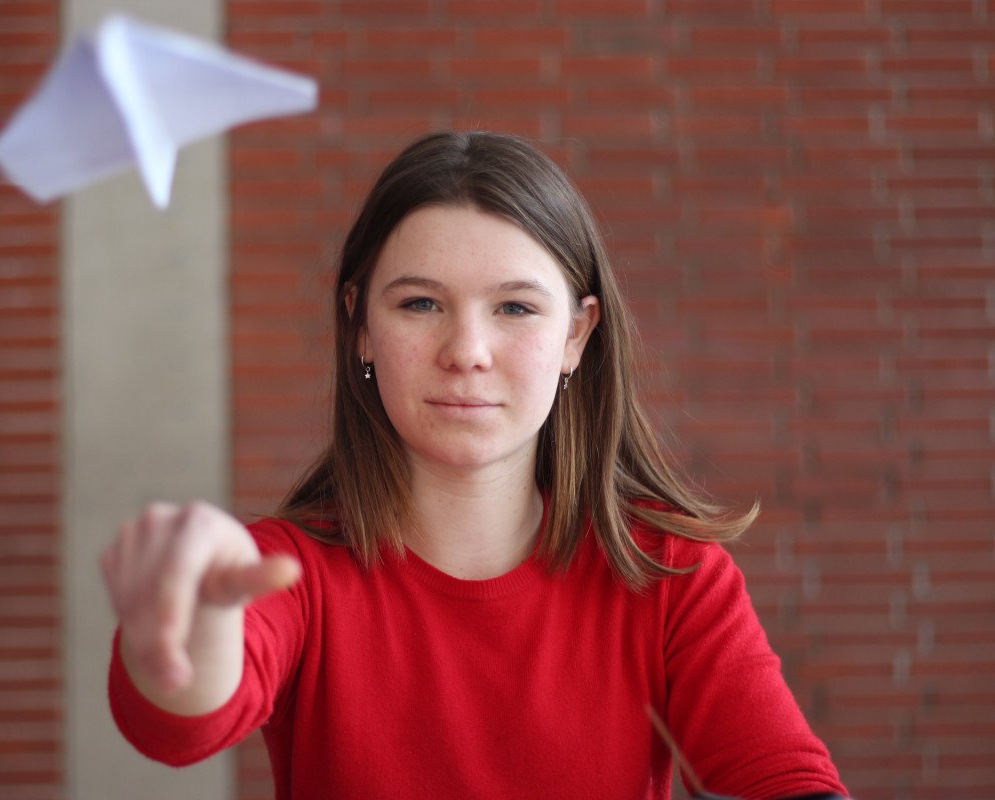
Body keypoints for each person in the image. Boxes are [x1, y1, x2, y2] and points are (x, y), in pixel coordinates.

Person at [101, 131, 849, 800]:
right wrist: (186, 624)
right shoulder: (286, 572)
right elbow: (180, 725)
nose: (466, 352)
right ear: (360, 325)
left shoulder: (670, 575)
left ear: (577, 336)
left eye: (516, 309)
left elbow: (784, 781)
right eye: (420, 304)